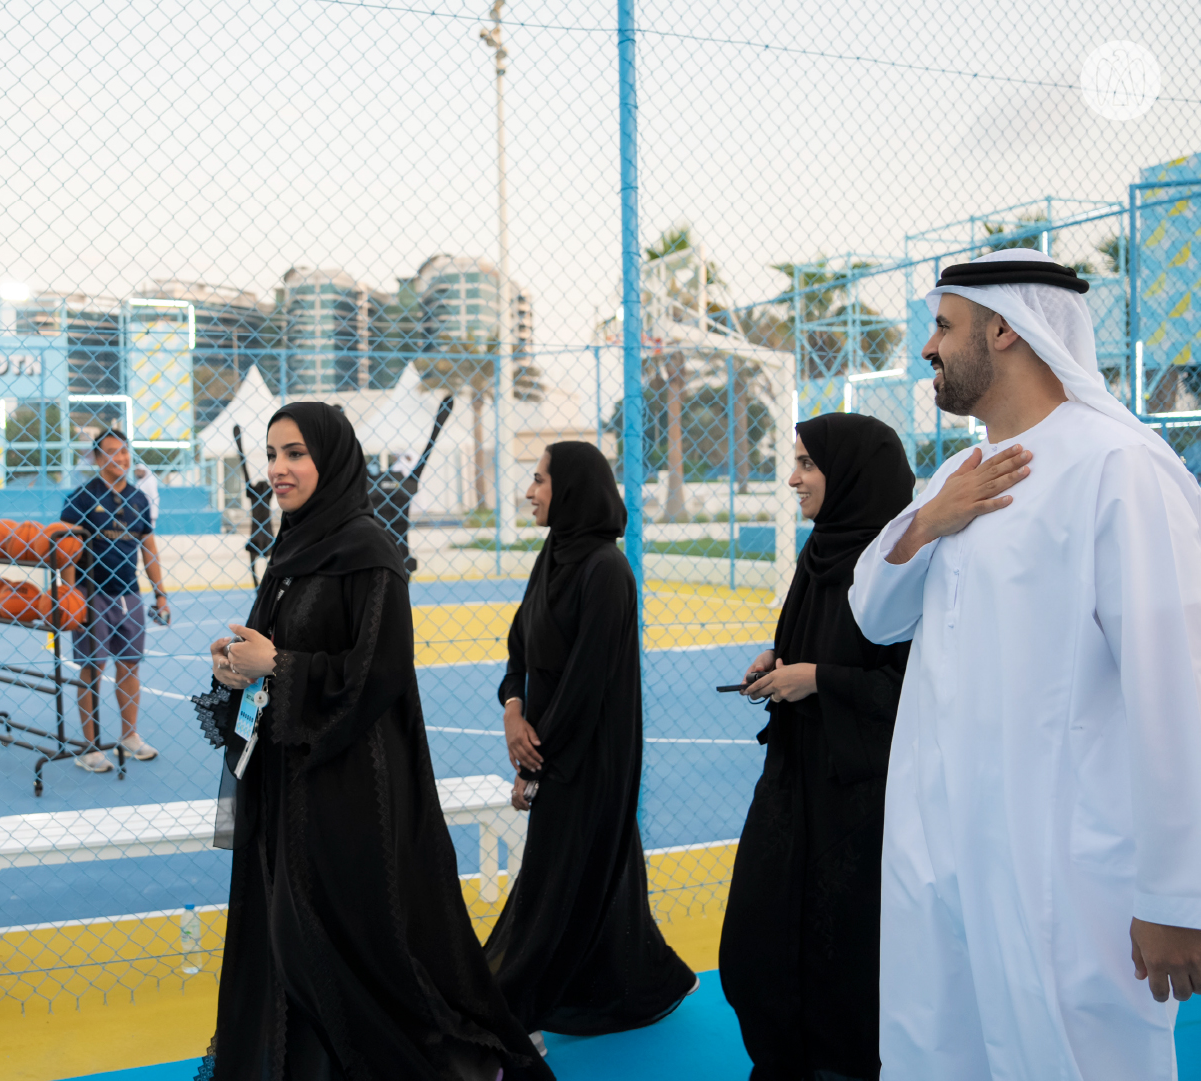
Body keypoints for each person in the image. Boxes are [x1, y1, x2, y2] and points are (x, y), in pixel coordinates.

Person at [848, 248, 1201, 1079]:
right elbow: (872, 612)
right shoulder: (952, 475)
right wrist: (929, 521)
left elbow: (1175, 687)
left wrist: (1175, 894)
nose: (926, 349)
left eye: (942, 326)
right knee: (939, 1048)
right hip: (940, 858)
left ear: (1005, 328)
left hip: (1062, 868)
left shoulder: (1117, 465)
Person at [194, 402, 552, 1081]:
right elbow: (273, 654)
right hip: (291, 784)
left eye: (294, 452)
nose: (277, 468)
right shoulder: (292, 549)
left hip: (349, 788)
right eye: (272, 454)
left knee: (352, 943)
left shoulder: (368, 552)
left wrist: (279, 666)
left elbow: (379, 672)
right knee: (292, 938)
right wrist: (236, 668)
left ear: (331, 458)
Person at [718, 413, 914, 1081]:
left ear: (851, 473)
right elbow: (812, 643)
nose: (792, 477)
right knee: (755, 937)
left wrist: (815, 679)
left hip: (858, 802)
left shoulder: (898, 561)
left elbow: (913, 690)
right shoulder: (819, 551)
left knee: (844, 954)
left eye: (806, 462)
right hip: (793, 780)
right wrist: (778, 661)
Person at [484, 442, 698, 1047]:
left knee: (563, 878)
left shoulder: (606, 571)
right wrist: (513, 711)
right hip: (552, 746)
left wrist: (534, 765)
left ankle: (519, 1003)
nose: (530, 491)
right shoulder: (554, 556)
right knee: (599, 874)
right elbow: (519, 650)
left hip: (589, 759)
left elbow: (585, 685)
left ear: (572, 487)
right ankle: (643, 982)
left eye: (540, 479)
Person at [60, 429, 170, 770]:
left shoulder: (138, 499)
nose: (119, 458)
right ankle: (91, 748)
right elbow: (65, 550)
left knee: (130, 666)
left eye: (123, 452)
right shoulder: (80, 498)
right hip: (92, 596)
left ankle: (129, 736)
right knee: (93, 669)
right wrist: (69, 594)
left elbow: (148, 548)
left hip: (130, 595)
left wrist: (160, 593)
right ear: (96, 458)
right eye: (110, 452)